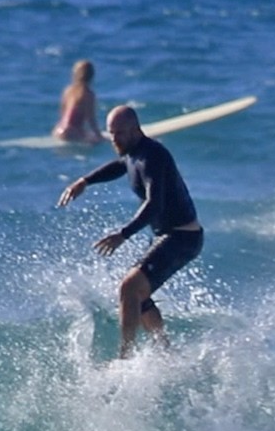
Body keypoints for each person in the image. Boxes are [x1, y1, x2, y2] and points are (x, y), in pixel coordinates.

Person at [57, 106, 203, 358]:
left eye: (120, 134)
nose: (115, 139)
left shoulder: (152, 156)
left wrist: (123, 234)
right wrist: (85, 181)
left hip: (181, 236)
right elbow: (120, 165)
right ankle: (165, 351)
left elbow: (154, 202)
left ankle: (125, 357)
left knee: (128, 287)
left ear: (136, 130)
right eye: (112, 134)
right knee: (137, 295)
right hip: (170, 236)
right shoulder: (133, 152)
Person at [52, 59, 103, 144]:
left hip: (58, 130)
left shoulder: (67, 90)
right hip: (72, 133)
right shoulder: (88, 94)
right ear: (91, 76)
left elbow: (62, 113)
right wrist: (99, 136)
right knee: (95, 142)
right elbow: (91, 119)